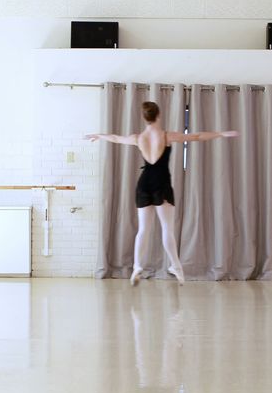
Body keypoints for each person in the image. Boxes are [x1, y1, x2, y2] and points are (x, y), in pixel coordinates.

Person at [86, 100, 238, 286]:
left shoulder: (138, 137)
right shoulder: (166, 136)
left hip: (143, 184)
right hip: (161, 184)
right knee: (167, 229)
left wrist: (99, 136)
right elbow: (196, 136)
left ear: (145, 118)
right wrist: (221, 134)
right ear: (158, 115)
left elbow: (117, 138)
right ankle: (176, 266)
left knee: (143, 229)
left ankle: (137, 266)